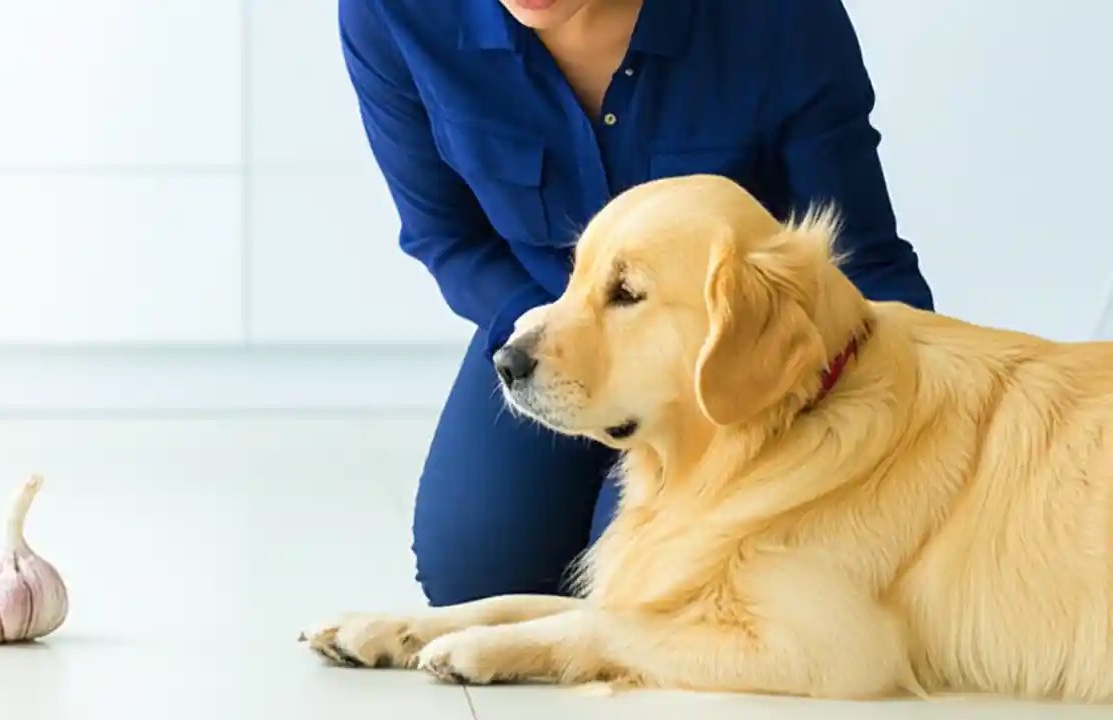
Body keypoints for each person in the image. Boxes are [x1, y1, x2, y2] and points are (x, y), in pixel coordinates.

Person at [338, 0, 935, 607]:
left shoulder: (782, 17)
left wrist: (924, 434)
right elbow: (449, 237)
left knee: (668, 595)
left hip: (734, 375)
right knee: (474, 575)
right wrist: (560, 337)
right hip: (548, 316)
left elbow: (862, 262)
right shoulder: (392, 13)